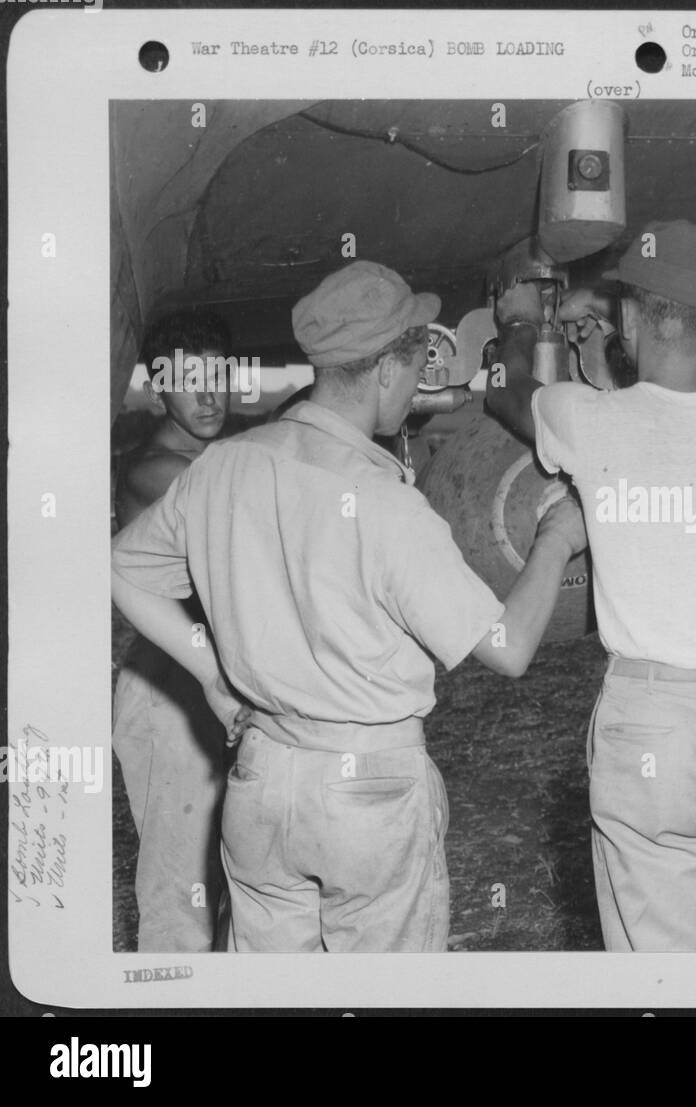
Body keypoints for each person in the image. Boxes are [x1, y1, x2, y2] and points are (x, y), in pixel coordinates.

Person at [112, 260, 586, 952]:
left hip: (263, 777)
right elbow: (508, 647)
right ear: (390, 373)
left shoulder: (223, 466)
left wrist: (213, 674)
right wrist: (555, 536)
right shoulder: (388, 503)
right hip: (370, 796)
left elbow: (123, 566)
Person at [486, 220, 696, 952]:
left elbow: (509, 390)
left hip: (657, 728)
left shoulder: (591, 421)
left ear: (630, 317)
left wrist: (517, 323)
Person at [112, 309, 233, 952]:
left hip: (218, 674)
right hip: (168, 687)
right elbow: (227, 507)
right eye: (190, 379)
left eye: (218, 374)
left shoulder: (219, 457)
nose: (209, 393)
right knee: (178, 896)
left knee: (233, 878)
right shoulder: (155, 471)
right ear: (159, 388)